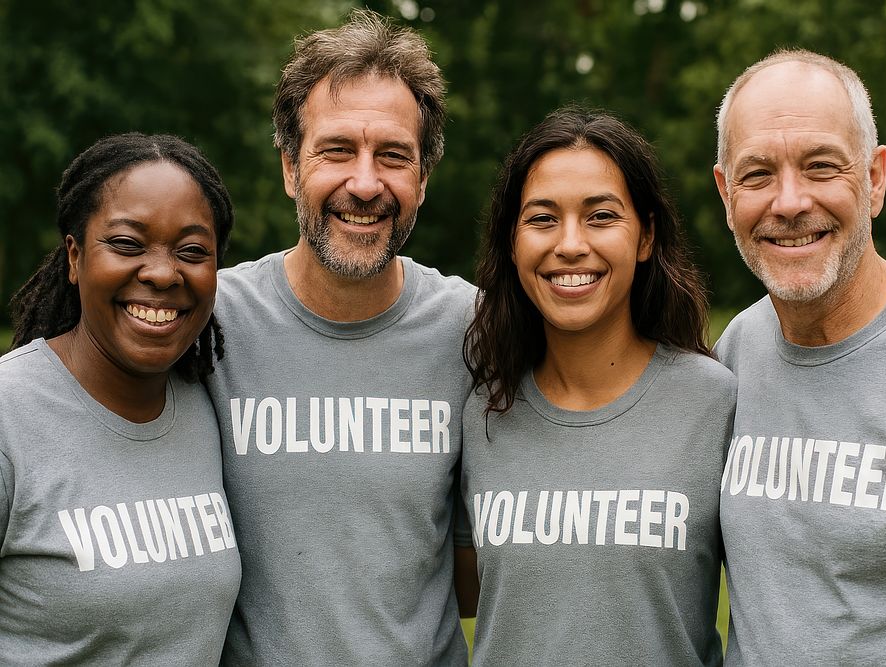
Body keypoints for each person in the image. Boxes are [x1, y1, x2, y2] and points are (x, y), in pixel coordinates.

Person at [712, 49, 886, 664]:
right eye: (758, 174)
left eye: (821, 167)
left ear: (874, 179)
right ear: (725, 192)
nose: (788, 203)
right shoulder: (735, 352)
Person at [204, 9, 474, 665]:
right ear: (291, 167)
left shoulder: (476, 329)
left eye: (392, 156)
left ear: (423, 179)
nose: (364, 183)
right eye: (336, 150)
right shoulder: (209, 321)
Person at [461, 106, 736, 665]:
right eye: (541, 219)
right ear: (511, 243)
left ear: (645, 236)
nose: (569, 244)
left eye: (601, 216)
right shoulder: (479, 410)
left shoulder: (717, 402)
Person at [0, 133, 240, 663]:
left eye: (193, 251)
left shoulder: (207, 408)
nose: (160, 272)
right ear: (74, 256)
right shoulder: (9, 415)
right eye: (128, 244)